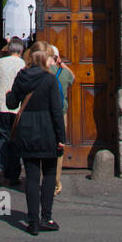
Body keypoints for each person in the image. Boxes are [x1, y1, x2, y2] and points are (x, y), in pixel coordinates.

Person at [6, 40, 66, 235]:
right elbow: (57, 111)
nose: (52, 61)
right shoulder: (49, 80)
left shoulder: (21, 76)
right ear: (44, 58)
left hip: (27, 131)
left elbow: (12, 103)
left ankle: (32, 222)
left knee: (31, 177)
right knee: (49, 174)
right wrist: (61, 137)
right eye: (50, 57)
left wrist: (9, 95)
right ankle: (45, 217)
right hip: (47, 130)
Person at [0, 37, 25, 184]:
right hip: (16, 107)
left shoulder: (0, 63)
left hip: (0, 105)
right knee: (14, 139)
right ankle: (13, 173)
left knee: (1, 137)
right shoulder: (22, 64)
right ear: (21, 50)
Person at [50, 45, 75, 196]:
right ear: (56, 58)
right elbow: (74, 77)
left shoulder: (42, 71)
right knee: (59, 146)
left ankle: (44, 178)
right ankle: (55, 182)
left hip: (44, 113)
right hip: (60, 112)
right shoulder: (64, 73)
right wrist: (62, 63)